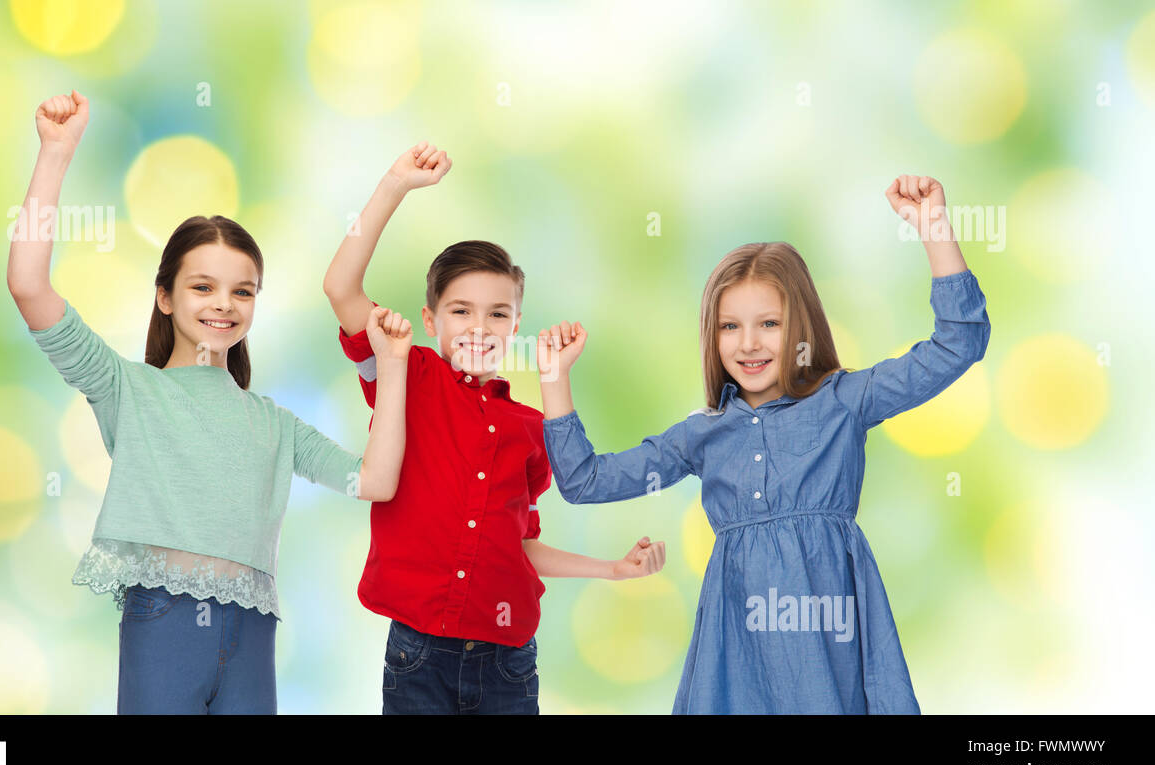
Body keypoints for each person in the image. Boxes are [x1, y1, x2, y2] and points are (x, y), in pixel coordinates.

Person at [8, 91, 414, 714]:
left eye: (242, 291)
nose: (224, 304)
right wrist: (56, 154)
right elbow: (29, 284)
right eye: (203, 286)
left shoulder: (273, 425)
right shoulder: (129, 389)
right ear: (166, 296)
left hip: (251, 634)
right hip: (163, 622)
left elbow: (378, 480)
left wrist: (392, 365)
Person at [536, 175, 991, 713]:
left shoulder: (845, 399)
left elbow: (959, 341)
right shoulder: (702, 434)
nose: (748, 343)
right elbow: (585, 482)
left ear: (801, 326)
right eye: (730, 326)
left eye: (769, 324)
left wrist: (932, 226)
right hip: (738, 649)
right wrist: (553, 379)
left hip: (827, 635)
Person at [322, 142, 667, 714]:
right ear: (431, 319)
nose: (479, 326)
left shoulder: (530, 428)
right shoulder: (405, 372)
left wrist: (613, 569)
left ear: (515, 324)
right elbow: (340, 287)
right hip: (418, 654)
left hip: (509, 660)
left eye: (497, 313)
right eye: (460, 310)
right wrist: (394, 185)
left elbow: (519, 545)